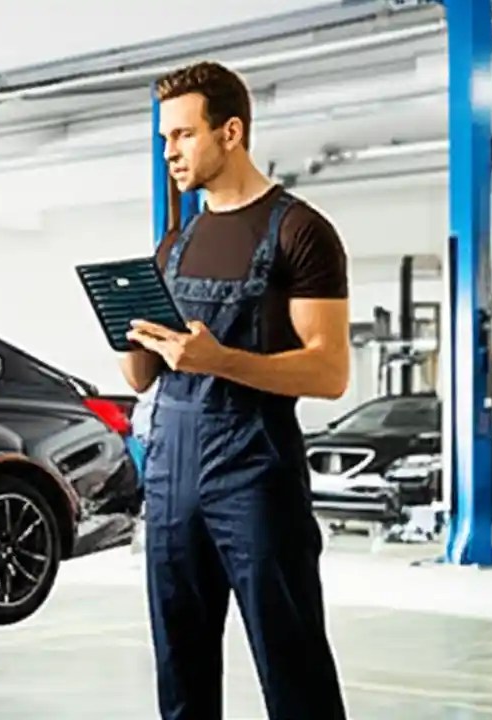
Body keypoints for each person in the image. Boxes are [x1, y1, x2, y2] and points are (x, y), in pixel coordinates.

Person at [120, 61, 350, 720]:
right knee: (181, 667)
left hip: (254, 469)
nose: (171, 153)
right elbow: (142, 379)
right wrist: (124, 328)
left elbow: (329, 371)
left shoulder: (300, 232)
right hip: (171, 474)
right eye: (164, 139)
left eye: (184, 136)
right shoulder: (174, 246)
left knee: (292, 661)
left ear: (231, 132)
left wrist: (221, 360)